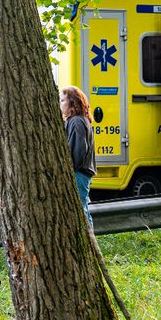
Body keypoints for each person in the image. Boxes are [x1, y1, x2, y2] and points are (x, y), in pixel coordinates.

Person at [59, 86, 96, 226]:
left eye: (63, 100)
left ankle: (89, 239)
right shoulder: (77, 120)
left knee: (81, 210)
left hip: (79, 172)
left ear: (73, 103)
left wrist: (69, 169)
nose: (60, 104)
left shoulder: (76, 121)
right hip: (80, 172)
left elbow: (79, 151)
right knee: (82, 207)